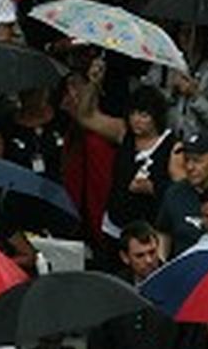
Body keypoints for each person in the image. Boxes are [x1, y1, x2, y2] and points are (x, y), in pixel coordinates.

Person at [73, 75, 176, 244]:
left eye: (144, 115)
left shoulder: (172, 146)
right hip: (114, 228)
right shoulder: (123, 132)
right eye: (133, 113)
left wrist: (153, 188)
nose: (136, 120)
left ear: (156, 116)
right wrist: (93, 83)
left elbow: (181, 189)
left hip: (148, 235)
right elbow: (85, 116)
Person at [156, 25, 208, 141]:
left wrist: (195, 95)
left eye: (192, 33)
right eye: (183, 32)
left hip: (199, 145)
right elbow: (148, 103)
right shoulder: (164, 64)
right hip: (165, 140)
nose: (186, 38)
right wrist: (171, 90)